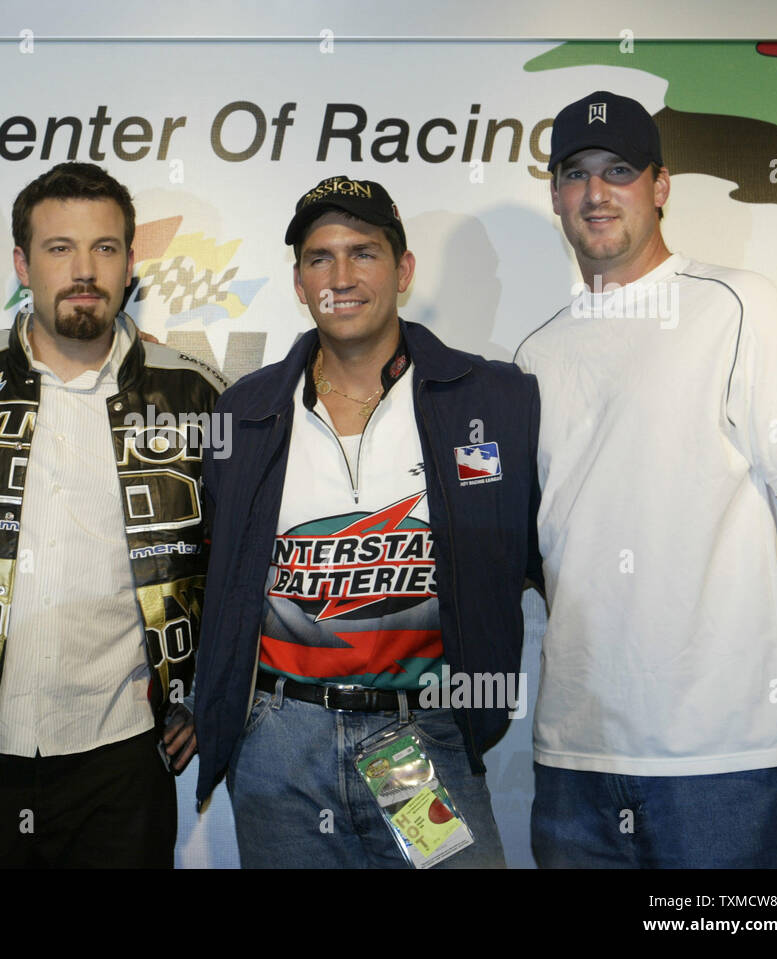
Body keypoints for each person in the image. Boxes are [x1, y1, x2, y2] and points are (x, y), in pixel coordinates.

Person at [0, 162, 225, 868]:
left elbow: (240, 563)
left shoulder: (196, 395)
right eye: (59, 248)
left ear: (131, 263)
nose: (84, 270)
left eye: (105, 248)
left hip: (124, 772)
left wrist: (210, 694)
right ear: (21, 264)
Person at [515, 91, 777, 868]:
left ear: (660, 185)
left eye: (619, 170)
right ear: (555, 193)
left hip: (730, 761)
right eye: (576, 172)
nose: (596, 193)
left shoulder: (739, 307)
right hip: (574, 762)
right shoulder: (533, 358)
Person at [193, 174, 541, 868]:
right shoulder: (244, 413)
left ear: (404, 269)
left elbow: (549, 556)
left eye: (364, 252)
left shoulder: (494, 400)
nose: (341, 275)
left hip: (418, 742)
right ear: (298, 281)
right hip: (280, 744)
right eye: (320, 257)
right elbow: (205, 571)